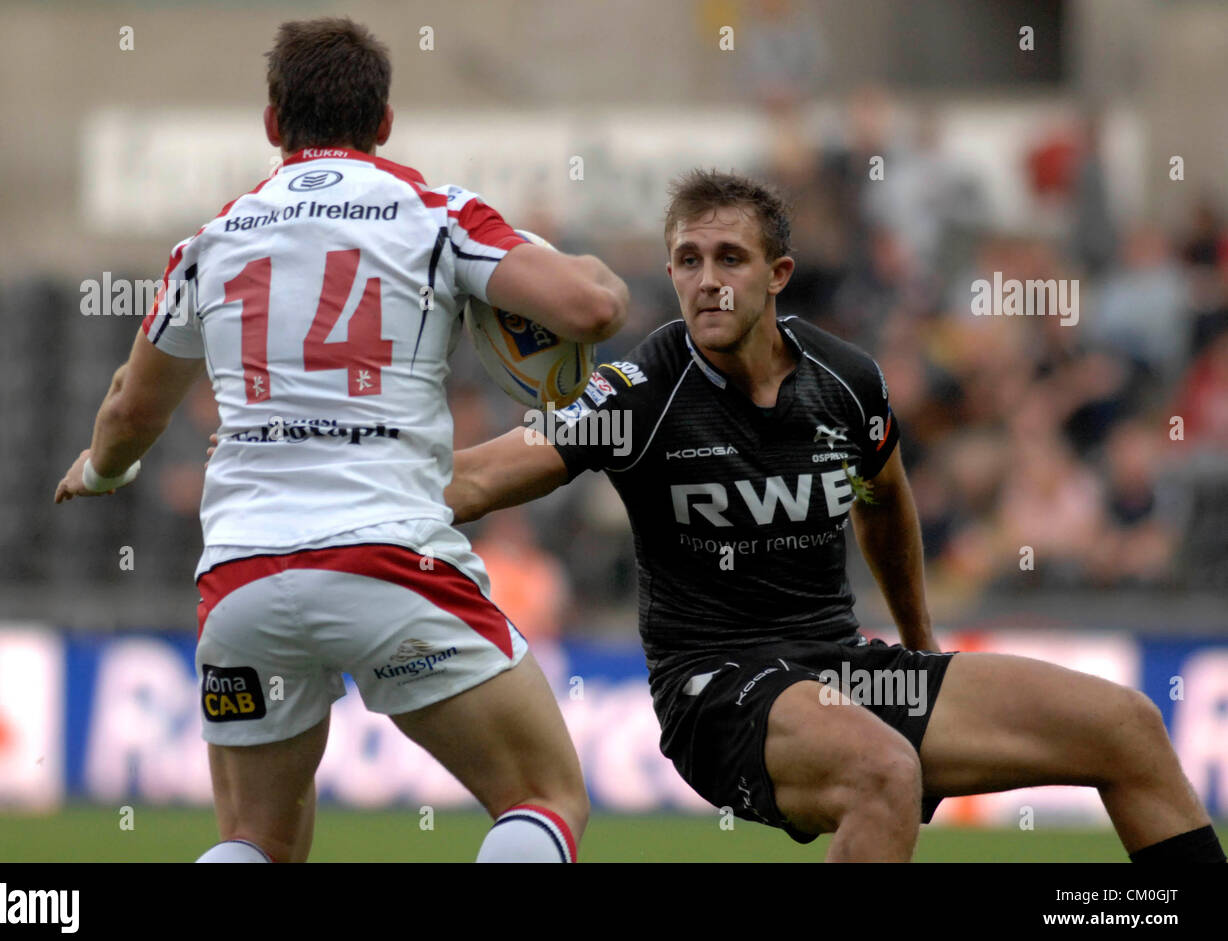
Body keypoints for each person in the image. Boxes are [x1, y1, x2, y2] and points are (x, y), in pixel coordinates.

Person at [447, 168, 1225, 862]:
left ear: (778, 273)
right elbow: (483, 477)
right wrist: (349, 490)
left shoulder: (846, 381)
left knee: (1127, 726)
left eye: (730, 259)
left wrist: (921, 646)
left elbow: (885, 504)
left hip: (843, 668)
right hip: (716, 692)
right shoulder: (637, 389)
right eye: (688, 260)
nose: (706, 280)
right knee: (883, 771)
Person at [55, 16, 628, 863]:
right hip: (387, 560)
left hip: (244, 579)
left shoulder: (209, 243)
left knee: (256, 842)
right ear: (386, 122)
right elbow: (590, 312)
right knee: (545, 795)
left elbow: (131, 410)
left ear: (272, 124)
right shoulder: (438, 214)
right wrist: (597, 274)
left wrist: (102, 467)